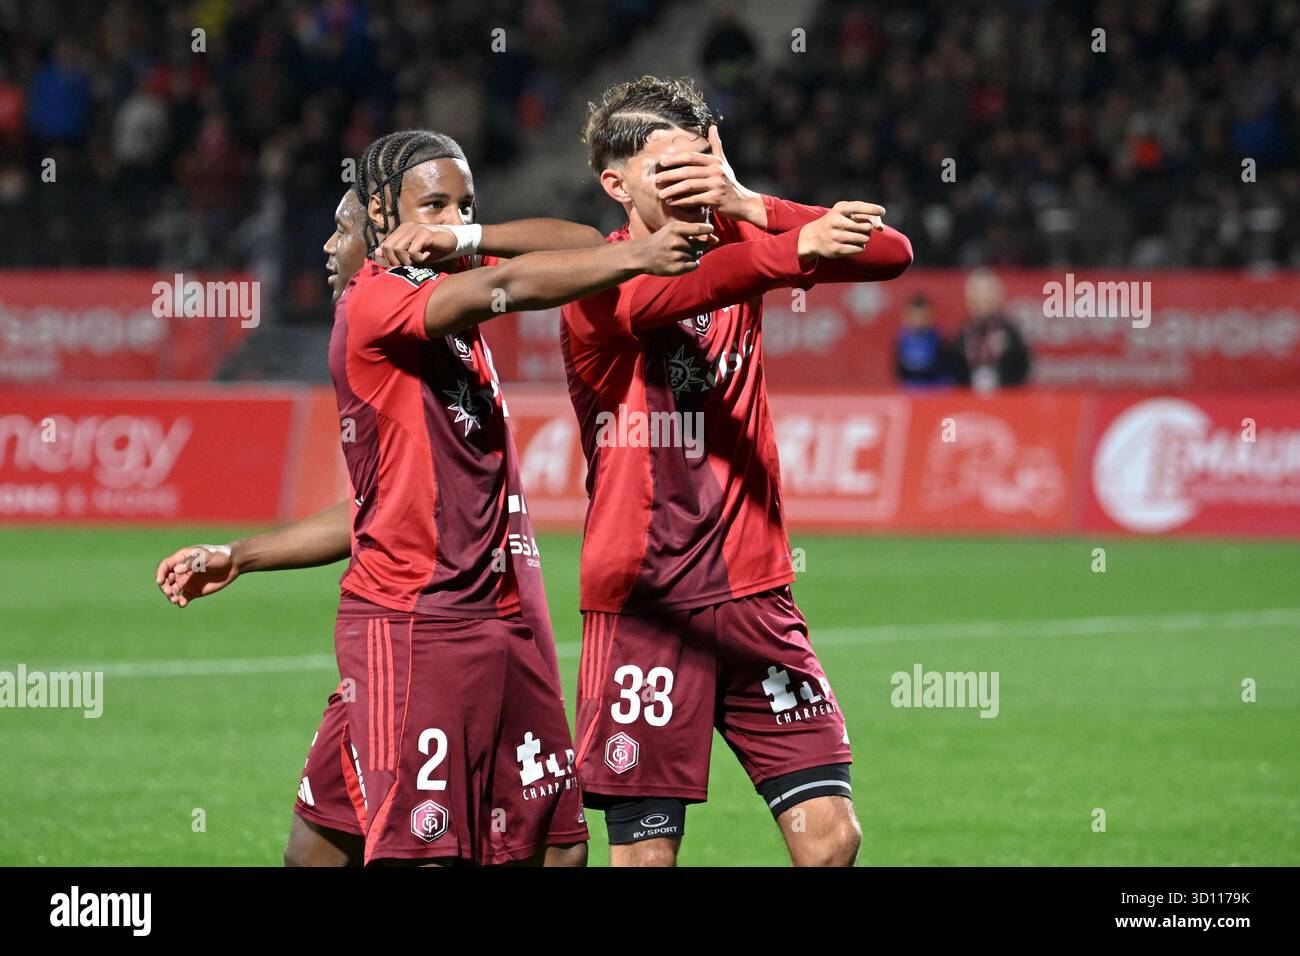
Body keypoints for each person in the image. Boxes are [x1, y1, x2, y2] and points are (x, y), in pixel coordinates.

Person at [559, 76, 913, 866]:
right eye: (669, 171)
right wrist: (789, 250)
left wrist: (750, 202)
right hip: (646, 607)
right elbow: (693, 287)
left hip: (756, 591)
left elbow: (892, 254)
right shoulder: (594, 279)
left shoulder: (737, 235)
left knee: (832, 840)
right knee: (647, 858)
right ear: (616, 184)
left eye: (701, 165)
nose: (692, 187)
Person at [950, 269, 1031, 391]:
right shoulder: (961, 336)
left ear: (999, 296)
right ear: (969, 298)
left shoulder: (1012, 334)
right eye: (978, 293)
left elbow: (1022, 369)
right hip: (968, 405)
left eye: (988, 293)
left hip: (1007, 403)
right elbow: (955, 371)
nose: (984, 298)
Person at [894, 292, 951, 386]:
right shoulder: (901, 340)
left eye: (922, 315)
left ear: (930, 316)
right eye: (914, 316)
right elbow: (899, 372)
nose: (918, 320)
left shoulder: (940, 340)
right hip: (910, 392)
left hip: (936, 393)